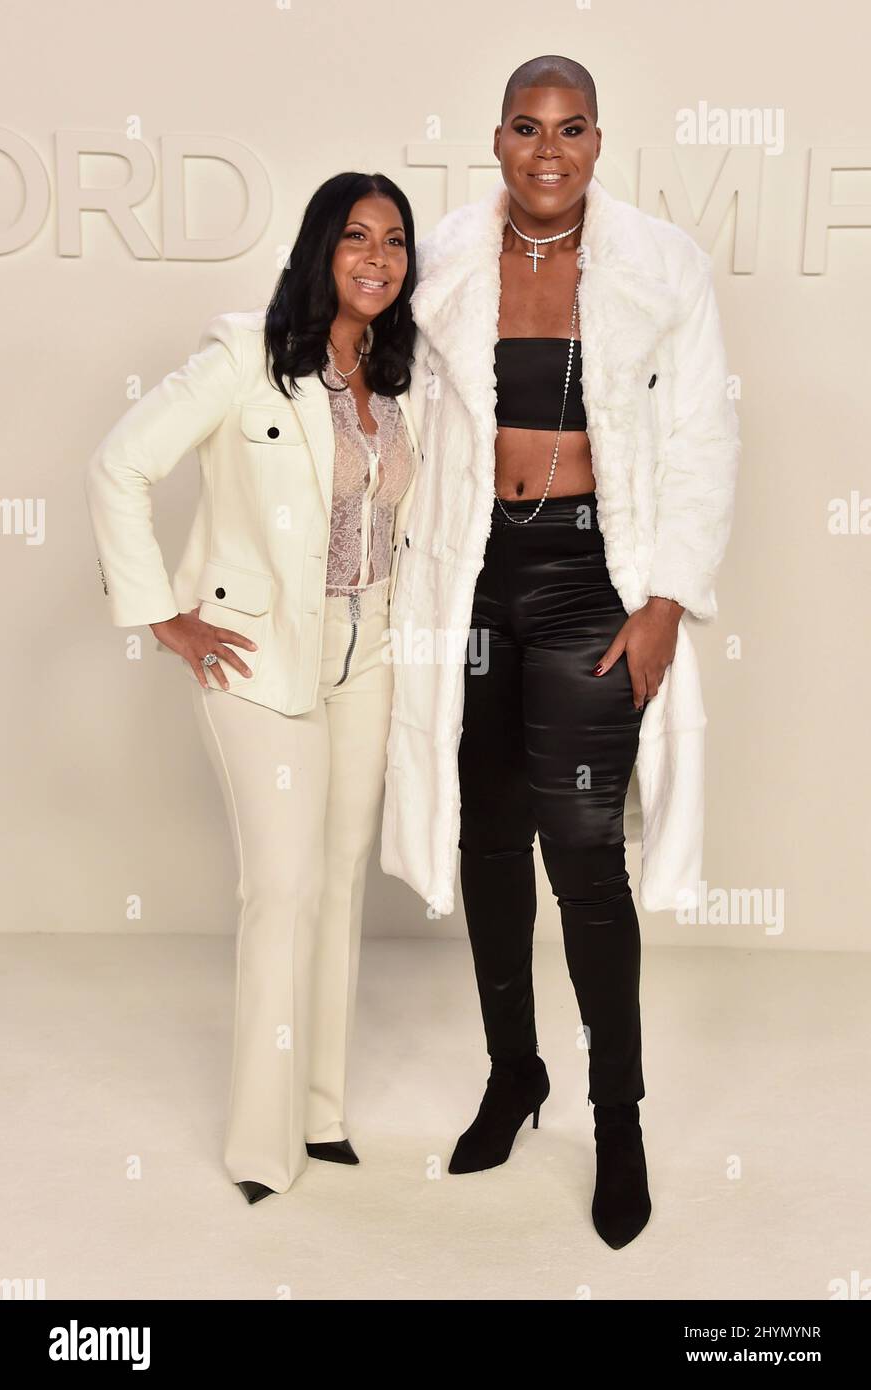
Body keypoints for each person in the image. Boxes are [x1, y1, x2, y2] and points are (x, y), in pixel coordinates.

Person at [381, 56, 740, 1248]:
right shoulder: (439, 258)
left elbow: (701, 436)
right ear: (494, 139)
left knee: (583, 852)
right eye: (527, 128)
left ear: (597, 140)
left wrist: (667, 601)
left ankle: (617, 1117)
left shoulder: (658, 265)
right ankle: (511, 1072)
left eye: (570, 128)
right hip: (471, 577)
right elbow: (380, 395)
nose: (548, 149)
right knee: (486, 835)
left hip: (597, 580)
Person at [85, 172, 421, 1204]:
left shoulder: (399, 379)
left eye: (395, 242)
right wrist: (160, 612)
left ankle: (319, 1111)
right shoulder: (245, 356)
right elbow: (119, 464)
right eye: (355, 237)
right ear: (321, 248)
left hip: (363, 658)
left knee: (337, 879)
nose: (376, 257)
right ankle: (259, 1147)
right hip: (257, 658)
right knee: (280, 891)